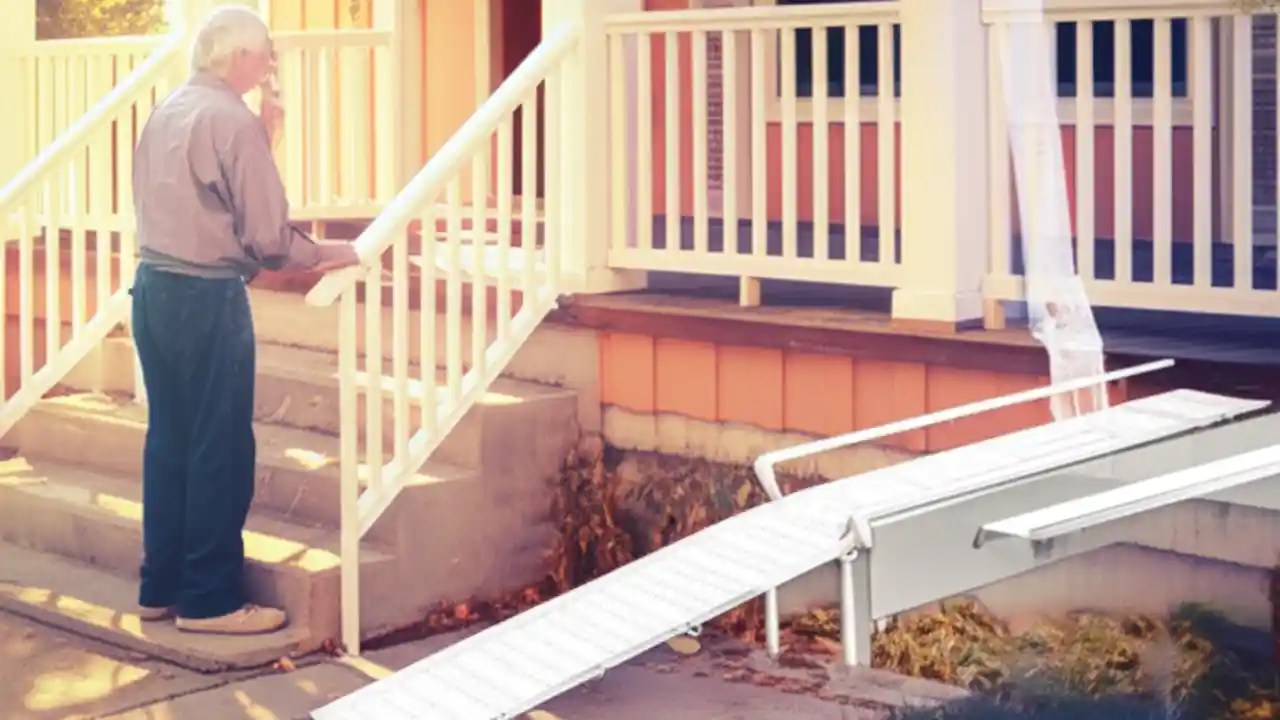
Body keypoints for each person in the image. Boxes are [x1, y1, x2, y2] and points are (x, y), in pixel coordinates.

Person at [130, 5, 359, 635]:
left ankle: (162, 586)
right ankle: (210, 600)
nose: (270, 65)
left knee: (170, 439)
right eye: (266, 54)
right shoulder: (233, 121)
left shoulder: (171, 107)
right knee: (219, 446)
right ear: (239, 58)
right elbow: (267, 238)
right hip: (206, 298)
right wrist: (331, 252)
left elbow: (196, 199)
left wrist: (266, 134)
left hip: (153, 288)